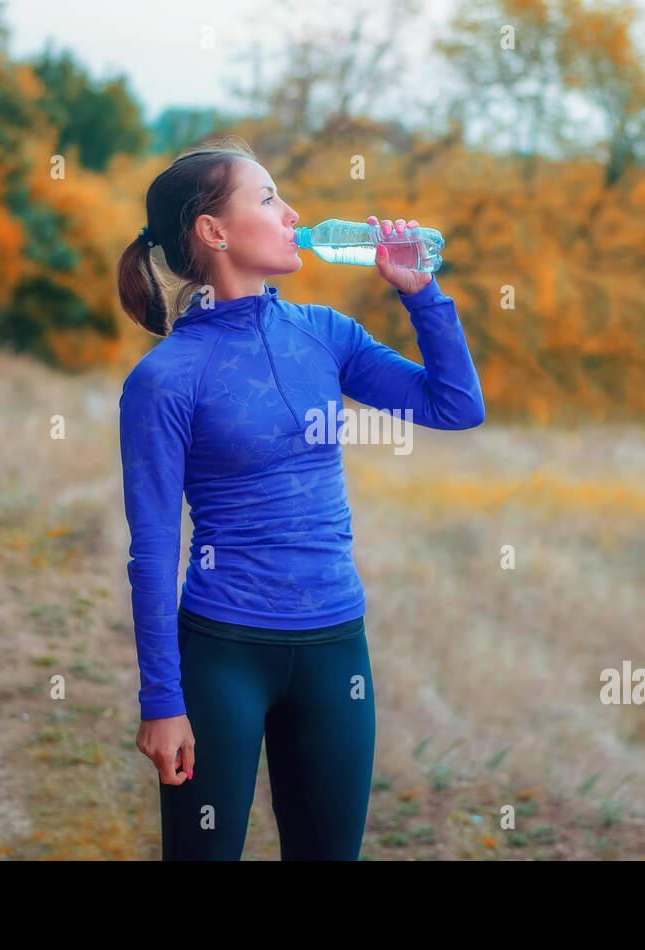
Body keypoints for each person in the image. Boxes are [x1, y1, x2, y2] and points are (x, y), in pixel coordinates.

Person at [117, 134, 486, 860]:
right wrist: (162, 700)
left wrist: (422, 294)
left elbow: (455, 405)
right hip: (222, 653)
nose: (293, 214)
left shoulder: (325, 333)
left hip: (335, 650)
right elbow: (155, 548)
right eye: (268, 198)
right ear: (213, 232)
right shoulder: (164, 379)